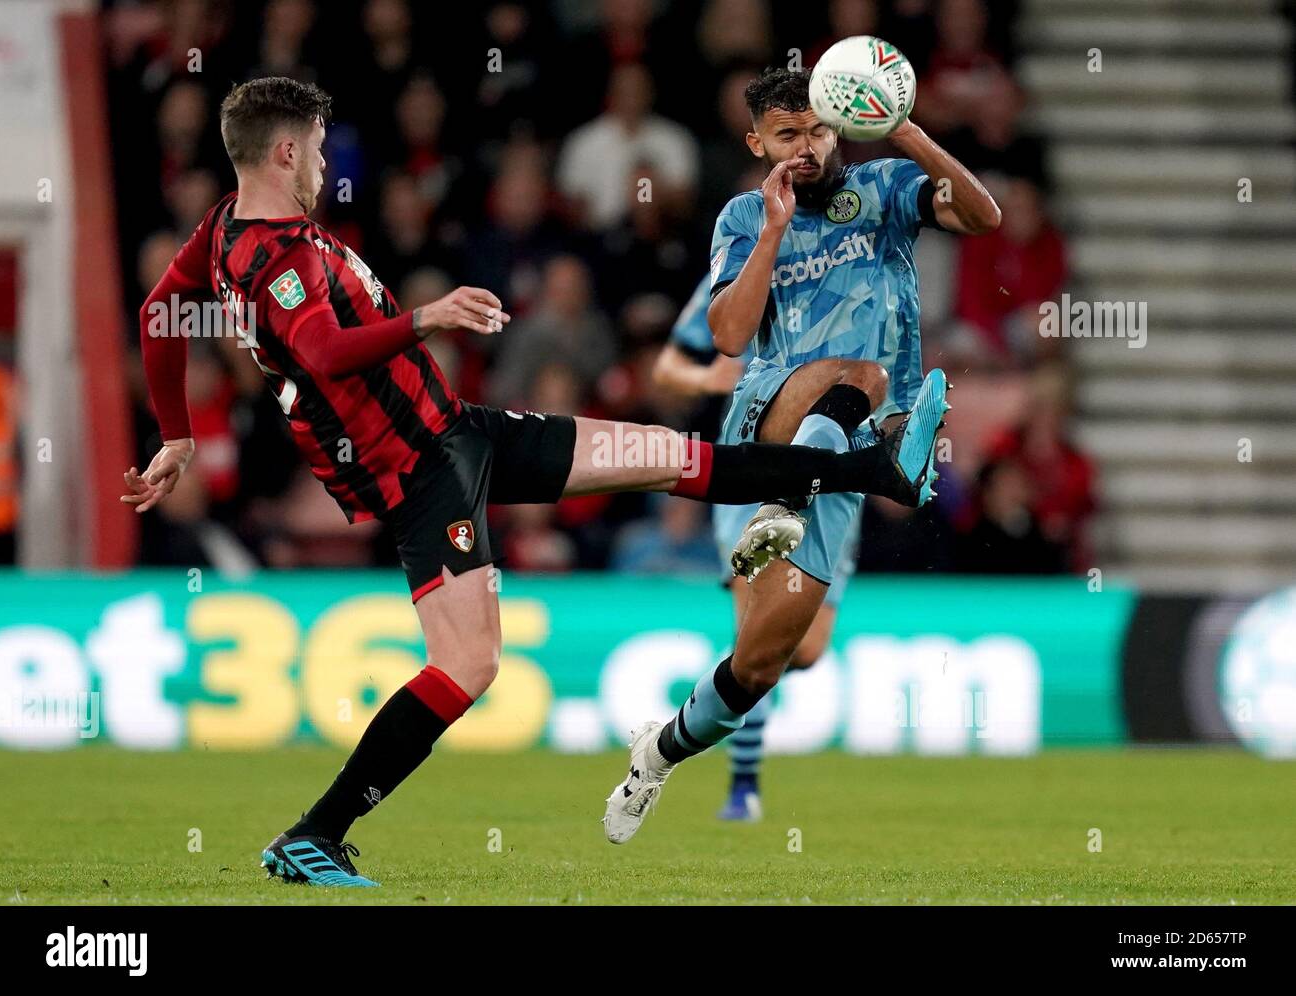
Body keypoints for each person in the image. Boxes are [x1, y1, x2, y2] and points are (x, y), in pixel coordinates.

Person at [123, 77, 942, 887]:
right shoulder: (281, 258)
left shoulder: (223, 231)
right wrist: (427, 317)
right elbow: (326, 352)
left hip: (456, 431)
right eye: (319, 151)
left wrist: (177, 433)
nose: (323, 166)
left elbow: (161, 306)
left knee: (664, 456)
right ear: (288, 150)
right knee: (469, 665)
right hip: (415, 469)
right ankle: (315, 834)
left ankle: (874, 468)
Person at [604, 67, 1001, 845]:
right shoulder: (745, 217)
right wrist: (777, 229)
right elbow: (723, 336)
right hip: (767, 415)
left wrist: (908, 130)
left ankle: (658, 752)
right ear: (758, 143)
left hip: (846, 452)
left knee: (762, 665)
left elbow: (984, 216)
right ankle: (784, 500)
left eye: (819, 129)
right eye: (789, 135)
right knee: (863, 371)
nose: (809, 146)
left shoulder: (886, 186)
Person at [653, 275, 861, 821]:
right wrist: (707, 377)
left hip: (833, 474)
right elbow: (667, 370)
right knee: (756, 630)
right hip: (750, 474)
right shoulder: (741, 273)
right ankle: (744, 785)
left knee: (806, 650)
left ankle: (722, 697)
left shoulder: (854, 268)